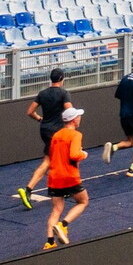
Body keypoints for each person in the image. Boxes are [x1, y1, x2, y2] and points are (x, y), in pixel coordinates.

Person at [42, 107, 88, 250]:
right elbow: (74, 155)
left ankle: (49, 242)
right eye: (78, 116)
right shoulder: (75, 135)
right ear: (74, 120)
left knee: (56, 209)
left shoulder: (56, 135)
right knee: (83, 201)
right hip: (69, 176)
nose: (80, 118)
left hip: (54, 177)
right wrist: (84, 154)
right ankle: (63, 225)